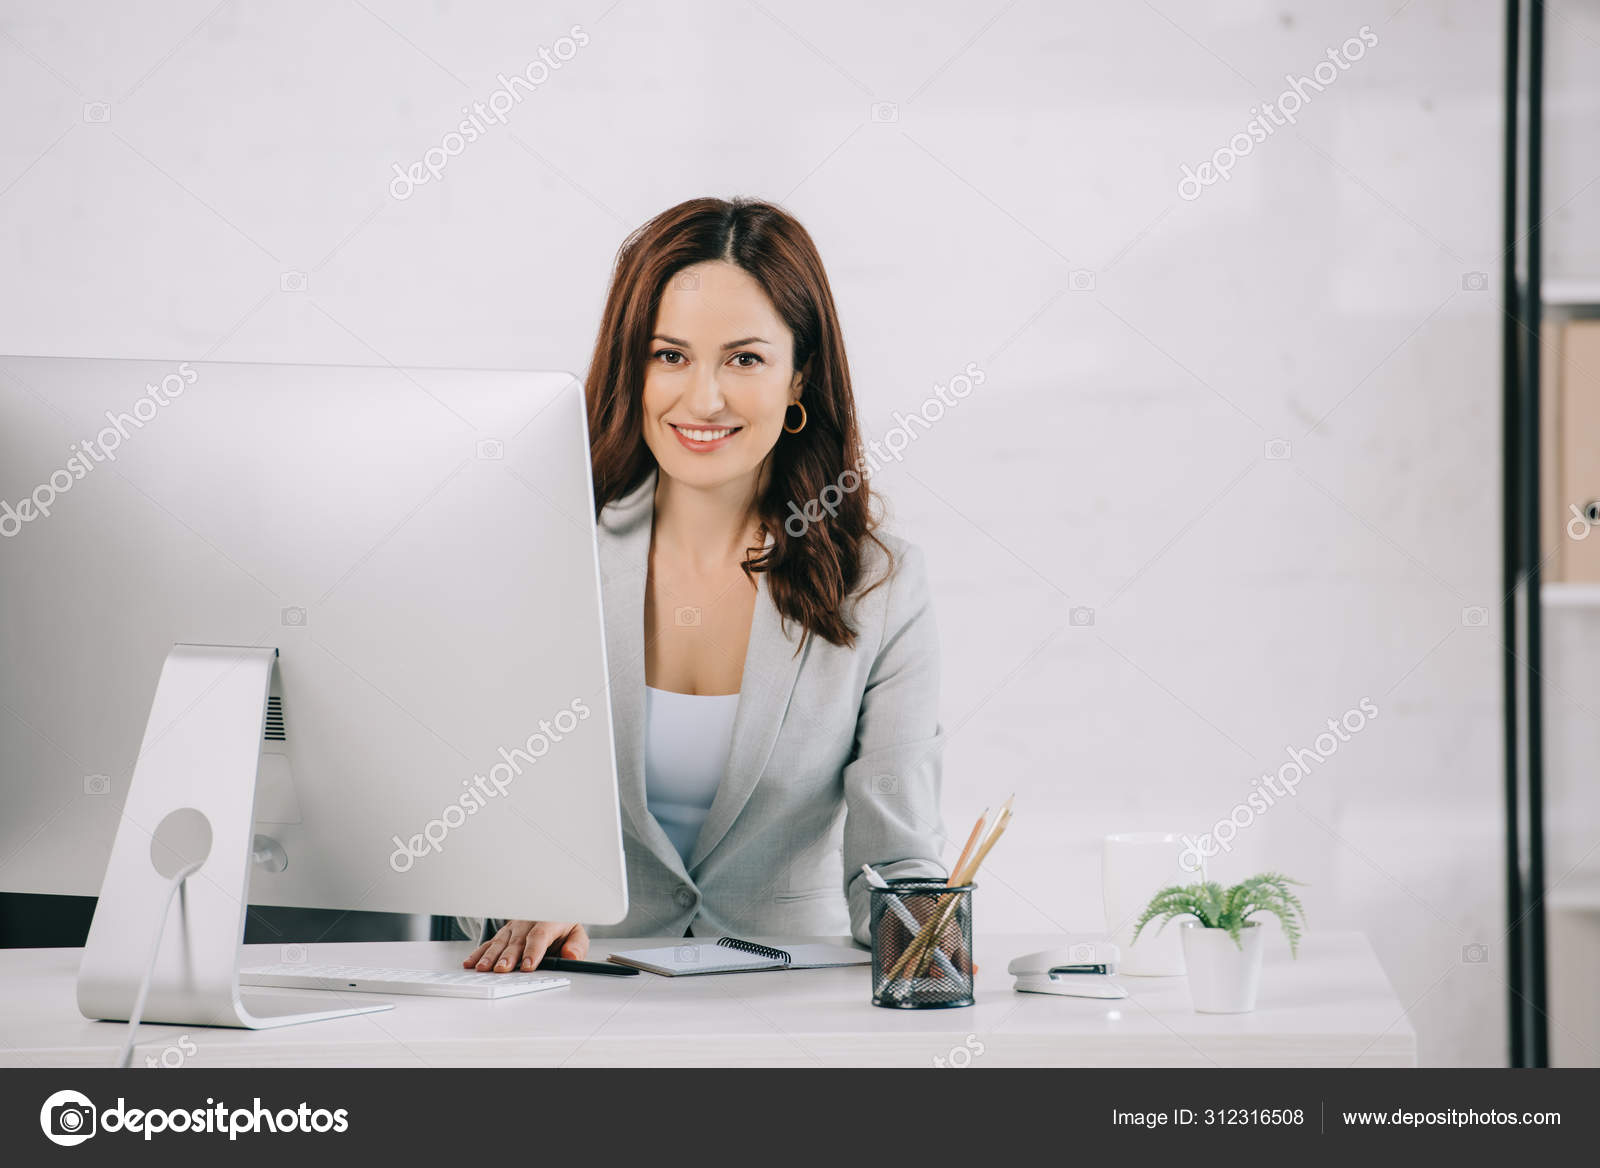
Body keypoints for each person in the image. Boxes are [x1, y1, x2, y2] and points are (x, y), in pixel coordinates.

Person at [463, 197, 947, 973]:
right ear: (634, 365)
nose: (704, 399)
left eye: (745, 359)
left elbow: (896, 859)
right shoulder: (544, 558)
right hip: (577, 995)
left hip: (786, 1002)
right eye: (670, 355)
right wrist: (522, 902)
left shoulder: (879, 585)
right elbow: (476, 830)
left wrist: (932, 951)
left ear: (800, 378)